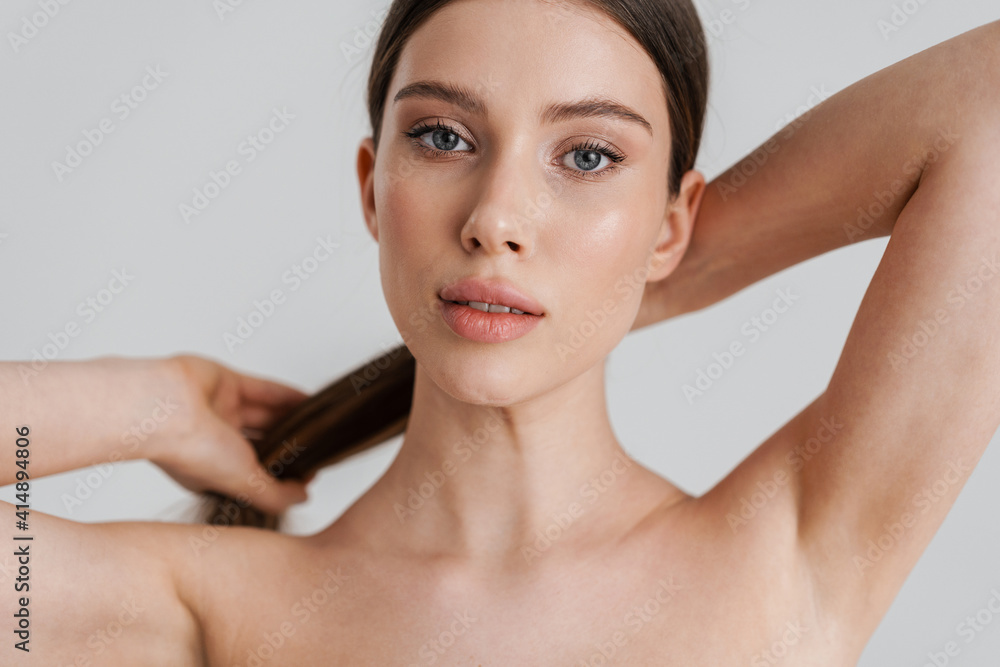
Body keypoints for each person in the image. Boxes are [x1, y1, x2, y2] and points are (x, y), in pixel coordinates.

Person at [3, 0, 999, 663]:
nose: (496, 216)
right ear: (371, 185)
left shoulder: (788, 551)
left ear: (670, 216)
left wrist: (672, 277)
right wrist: (140, 403)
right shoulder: (212, 609)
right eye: (443, 137)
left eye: (589, 155)